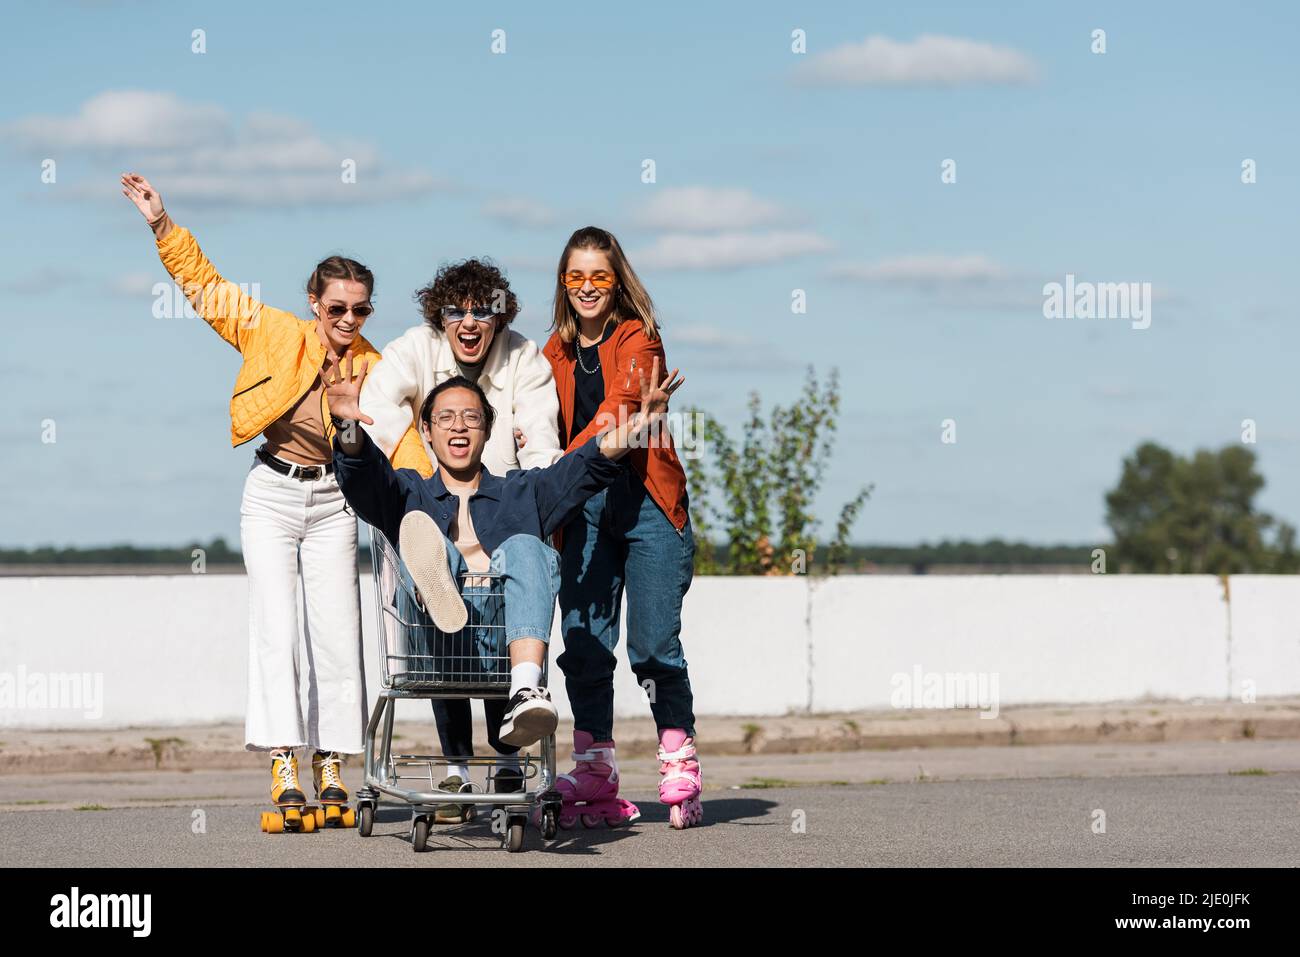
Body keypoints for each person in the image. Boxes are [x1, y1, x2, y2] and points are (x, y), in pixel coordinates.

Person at [323, 355, 683, 825]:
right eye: (445, 418)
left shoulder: (522, 492)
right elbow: (361, 473)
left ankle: (524, 692)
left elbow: (586, 465)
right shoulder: (408, 491)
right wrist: (346, 427)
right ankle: (442, 579)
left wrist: (637, 427)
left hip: (501, 647)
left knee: (526, 548)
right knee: (427, 542)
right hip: (434, 645)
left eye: (471, 417)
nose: (458, 427)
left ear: (487, 431)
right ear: (426, 431)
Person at [120, 172, 378, 818]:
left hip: (334, 502)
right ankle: (284, 760)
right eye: (337, 307)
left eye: (360, 308)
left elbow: (412, 436)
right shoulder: (270, 330)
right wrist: (162, 224)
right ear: (314, 302)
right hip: (271, 492)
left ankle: (334, 763)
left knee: (340, 633)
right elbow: (206, 289)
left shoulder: (373, 365)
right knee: (276, 628)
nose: (348, 319)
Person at [359, 259, 564, 820]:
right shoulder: (413, 351)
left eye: (485, 310)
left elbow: (543, 442)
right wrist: (417, 488)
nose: (470, 322)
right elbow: (374, 420)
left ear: (502, 318)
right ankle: (459, 766)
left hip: (499, 519)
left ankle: (496, 761)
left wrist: (529, 499)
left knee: (494, 609)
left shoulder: (524, 358)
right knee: (439, 591)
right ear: (438, 316)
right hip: (434, 518)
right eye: (456, 311)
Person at [540, 226, 703, 829]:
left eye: (599, 277)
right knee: (583, 642)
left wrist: (562, 464)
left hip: (646, 506)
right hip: (581, 508)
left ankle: (677, 751)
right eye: (575, 277)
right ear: (564, 283)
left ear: (617, 281)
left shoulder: (639, 337)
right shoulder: (549, 354)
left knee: (654, 645)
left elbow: (621, 411)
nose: (587, 288)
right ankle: (595, 766)